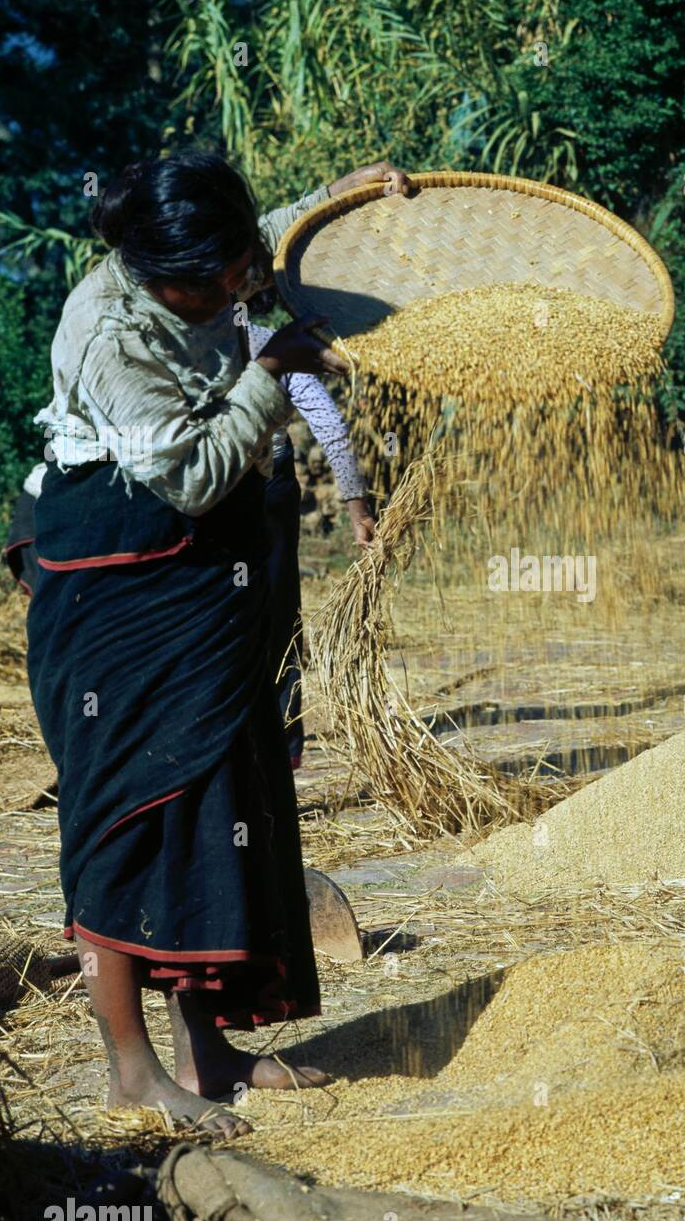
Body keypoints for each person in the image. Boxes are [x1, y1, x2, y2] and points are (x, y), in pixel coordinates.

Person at [27, 150, 409, 1138]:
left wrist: (346, 198)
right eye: (203, 284)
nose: (226, 293)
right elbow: (191, 476)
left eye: (236, 271)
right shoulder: (104, 338)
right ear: (150, 270)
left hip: (204, 569)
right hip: (115, 569)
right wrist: (269, 376)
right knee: (129, 811)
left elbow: (276, 232)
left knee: (218, 794)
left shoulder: (219, 259)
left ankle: (215, 1052)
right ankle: (132, 1072)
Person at [8, 328, 375, 768]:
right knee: (269, 612)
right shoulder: (251, 340)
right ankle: (259, 743)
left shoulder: (179, 340)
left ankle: (244, 745)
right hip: (219, 486)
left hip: (209, 490)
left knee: (230, 614)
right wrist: (357, 508)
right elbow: (328, 424)